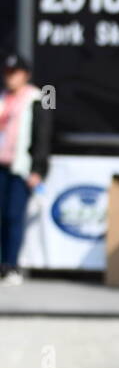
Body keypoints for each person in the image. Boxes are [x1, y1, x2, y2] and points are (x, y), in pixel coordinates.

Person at [0, 54, 50, 286]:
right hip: (1, 164)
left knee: (13, 216)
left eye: (15, 73)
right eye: (8, 73)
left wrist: (38, 168)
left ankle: (11, 265)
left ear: (26, 75)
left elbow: (43, 136)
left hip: (21, 168)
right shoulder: (2, 98)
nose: (11, 78)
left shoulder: (39, 98)